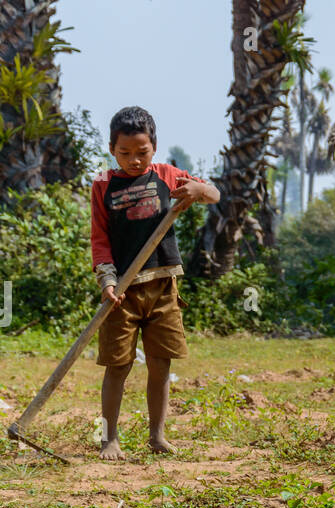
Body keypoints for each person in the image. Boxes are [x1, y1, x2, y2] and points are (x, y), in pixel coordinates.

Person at [90, 105, 220, 460]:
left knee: (161, 363)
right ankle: (109, 438)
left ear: (155, 146)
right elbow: (99, 238)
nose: (134, 160)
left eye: (142, 152)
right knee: (118, 365)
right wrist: (107, 280)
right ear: (112, 149)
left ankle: (157, 436)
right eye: (125, 153)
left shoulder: (167, 176)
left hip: (163, 286)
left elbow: (214, 195)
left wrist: (197, 188)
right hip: (122, 292)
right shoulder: (103, 185)